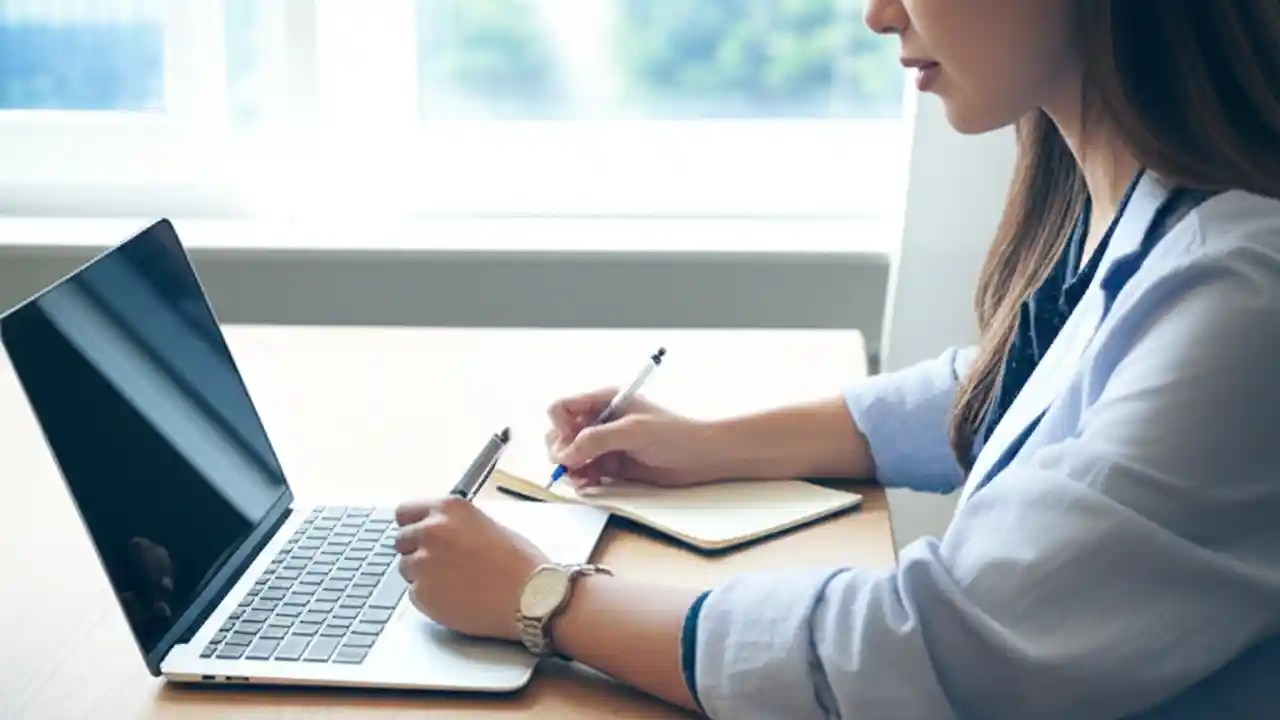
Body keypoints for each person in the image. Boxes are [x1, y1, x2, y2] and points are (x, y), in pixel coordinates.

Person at [393, 1, 1280, 717]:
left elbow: (928, 651)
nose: (878, 13)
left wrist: (544, 598)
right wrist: (710, 445)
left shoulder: (1237, 300)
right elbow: (1019, 390)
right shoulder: (1134, 212)